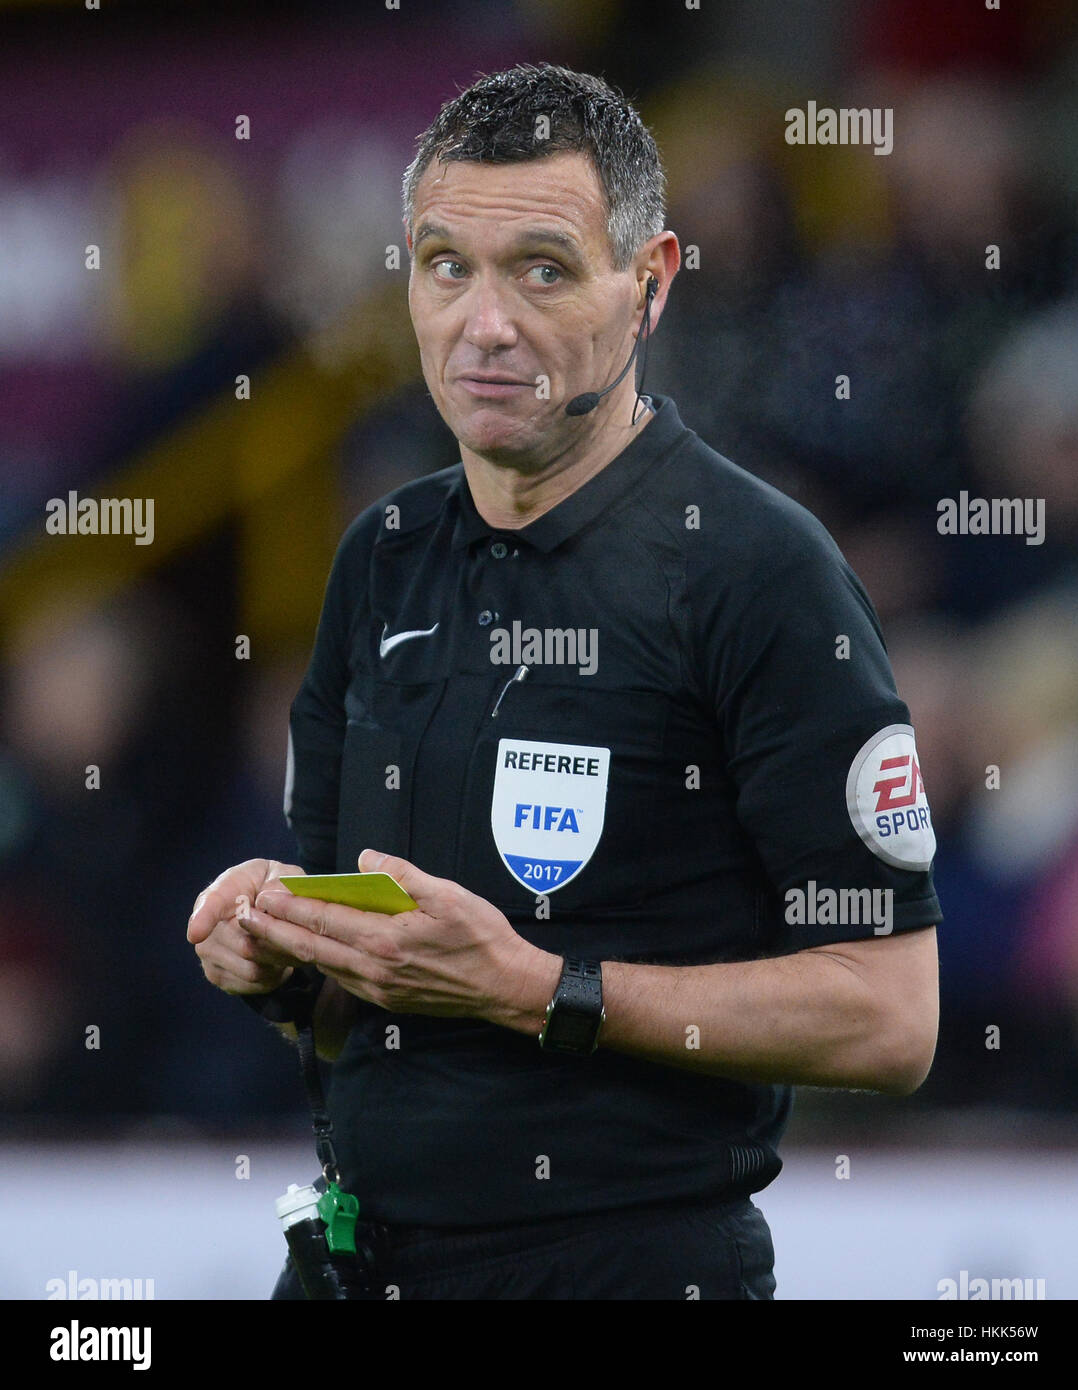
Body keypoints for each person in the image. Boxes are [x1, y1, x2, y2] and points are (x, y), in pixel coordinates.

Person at [187, 63, 941, 1301]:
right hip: (351, 1258)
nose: (484, 323)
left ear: (648, 285)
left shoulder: (760, 574)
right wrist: (278, 953)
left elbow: (890, 1017)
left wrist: (543, 991)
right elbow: (351, 998)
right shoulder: (377, 557)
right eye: (445, 267)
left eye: (541, 269)